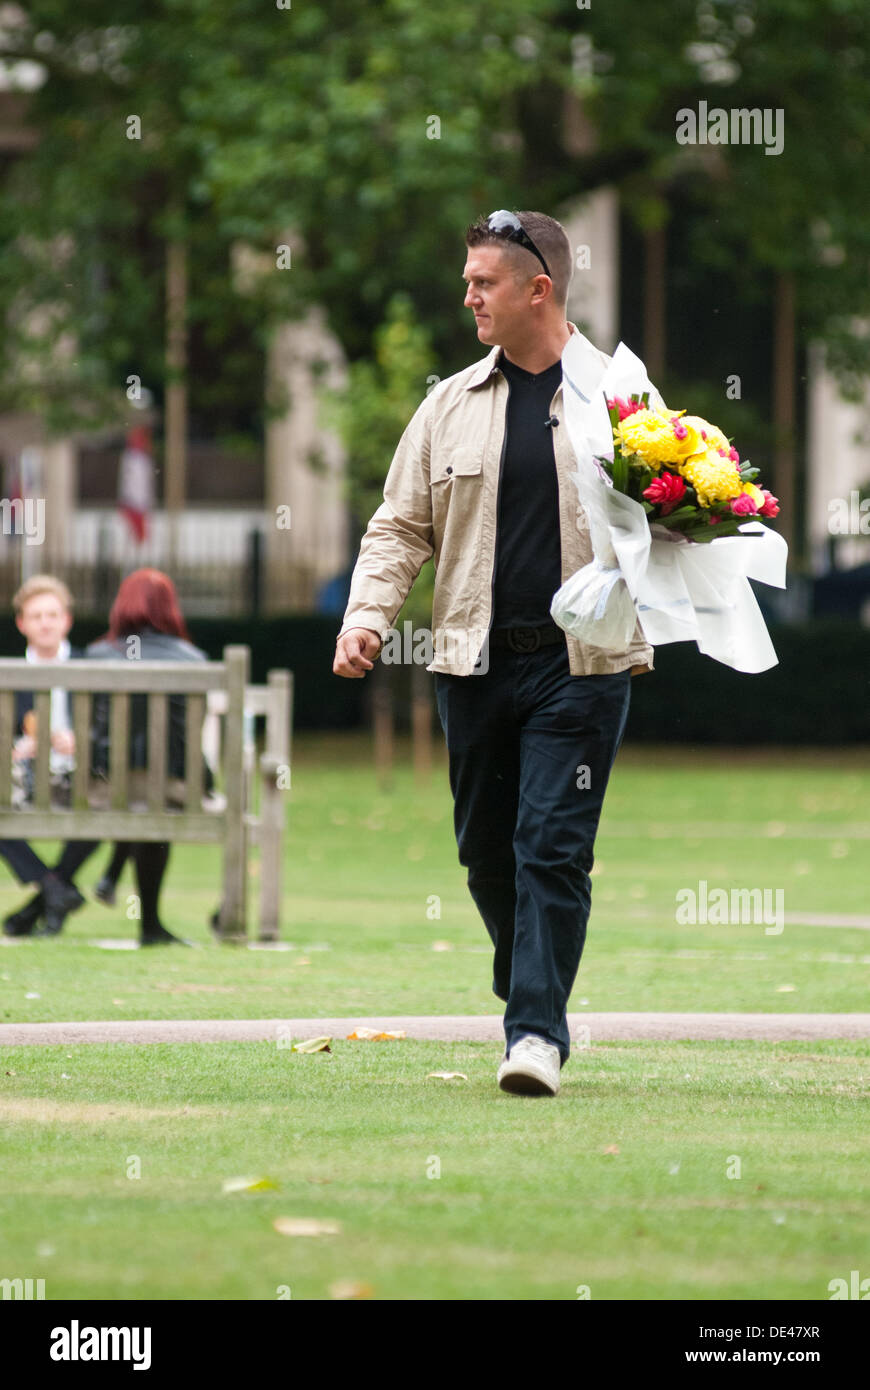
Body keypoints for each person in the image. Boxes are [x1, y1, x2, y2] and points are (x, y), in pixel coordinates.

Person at [334, 210, 653, 1097]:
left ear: (537, 290)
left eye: (484, 282)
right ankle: (530, 982)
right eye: (469, 279)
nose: (468, 294)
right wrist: (366, 617)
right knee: (486, 853)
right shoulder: (447, 405)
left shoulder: (621, 402)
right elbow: (399, 526)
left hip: (581, 667)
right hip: (471, 663)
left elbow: (673, 513)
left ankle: (534, 1036)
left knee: (551, 846)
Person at [84, 568, 211, 946]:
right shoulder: (193, 659)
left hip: (102, 788)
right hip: (174, 789)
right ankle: (151, 925)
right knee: (149, 801)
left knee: (134, 796)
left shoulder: (95, 655)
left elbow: (89, 731)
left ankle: (94, 882)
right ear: (169, 608)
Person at [1, 575, 99, 937]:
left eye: (52, 615)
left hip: (80, 778)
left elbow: (107, 734)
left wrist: (81, 741)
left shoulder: (93, 668)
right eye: (37, 616)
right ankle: (55, 890)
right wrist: (16, 749)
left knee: (101, 806)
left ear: (67, 620)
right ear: (22, 623)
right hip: (26, 778)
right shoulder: (8, 675)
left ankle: (45, 898)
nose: (45, 623)